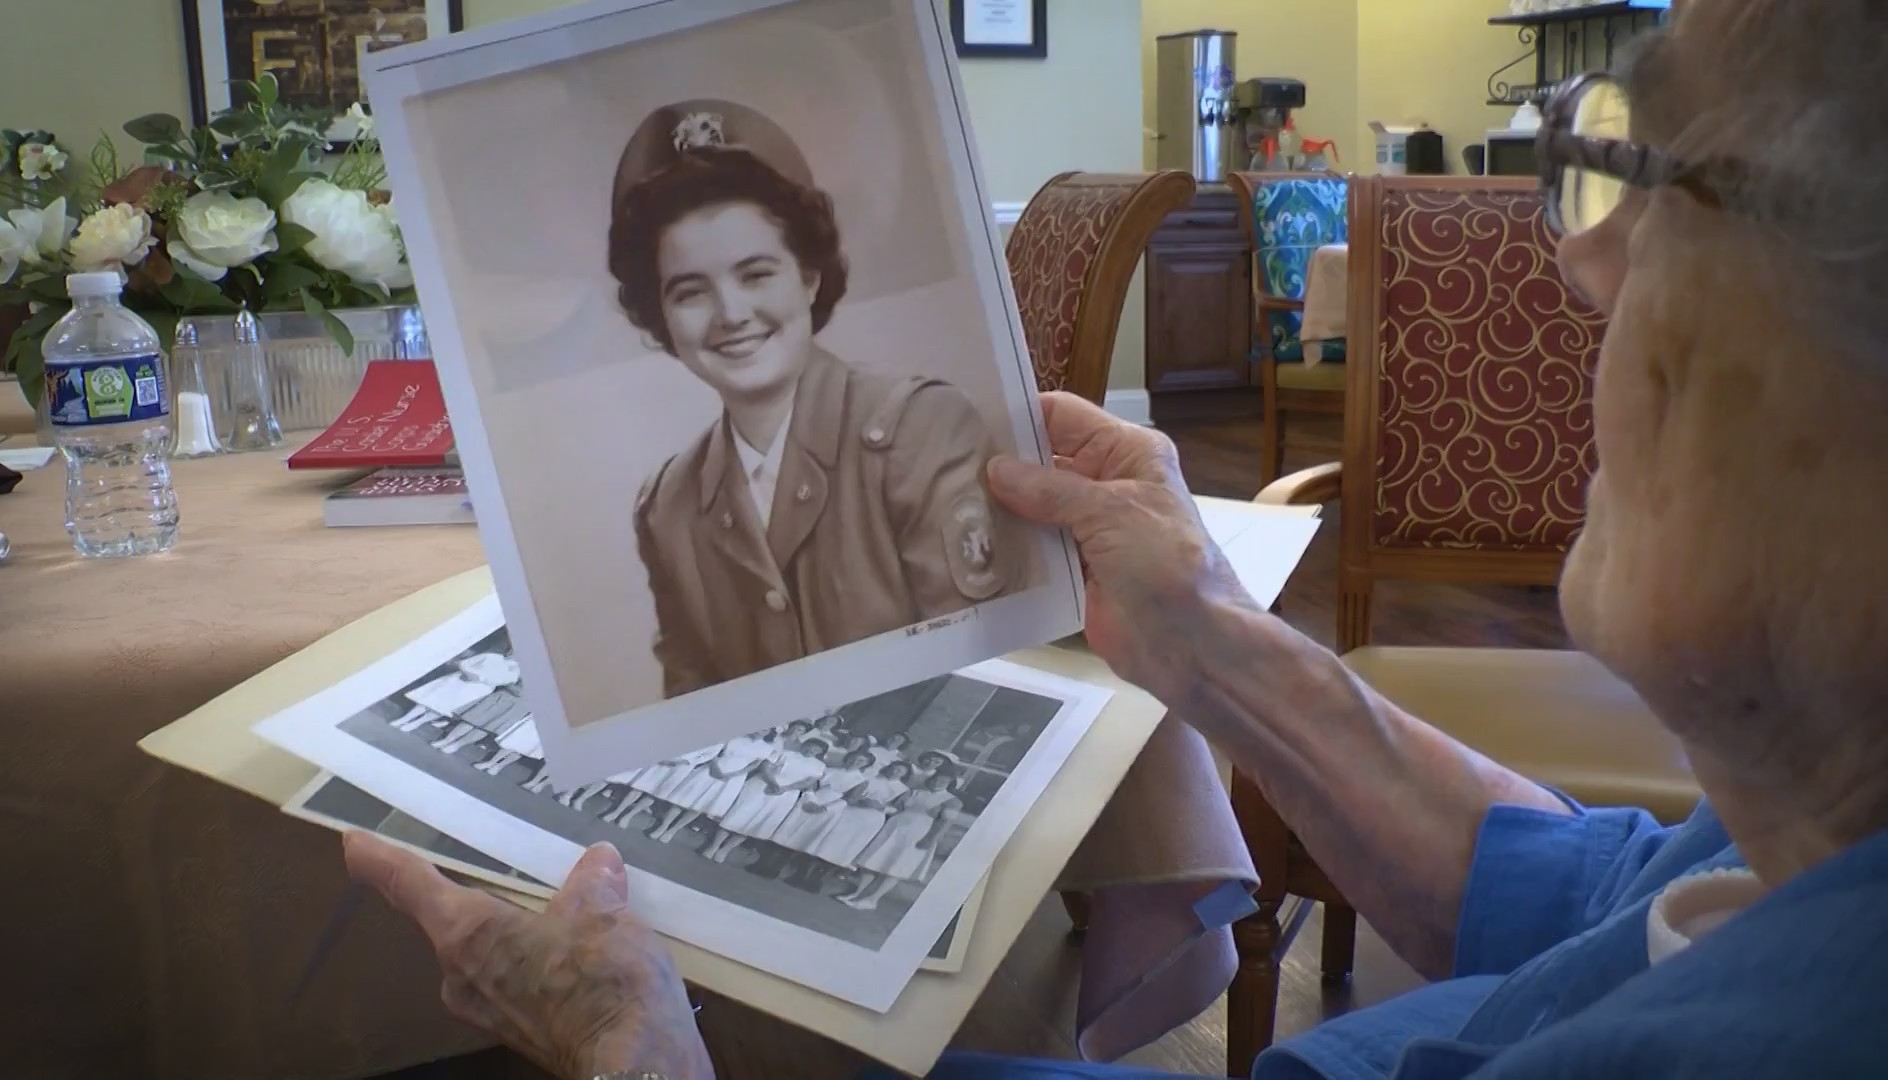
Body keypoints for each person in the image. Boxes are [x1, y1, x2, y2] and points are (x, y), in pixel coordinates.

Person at [341, 7, 1888, 1078]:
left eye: (1654, 175)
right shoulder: (1810, 852)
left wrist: (631, 1055)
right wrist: (1214, 637)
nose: (1588, 264)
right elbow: (1584, 898)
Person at [612, 99, 1027, 701]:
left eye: (756, 274)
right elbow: (692, 708)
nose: (731, 315)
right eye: (689, 291)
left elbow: (980, 683)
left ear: (809, 277)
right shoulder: (667, 507)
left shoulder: (923, 431)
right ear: (661, 316)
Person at [840, 771, 964, 912]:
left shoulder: (952, 801)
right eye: (935, 779)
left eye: (942, 781)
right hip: (895, 828)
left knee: (897, 867)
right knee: (873, 861)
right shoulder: (914, 792)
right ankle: (856, 893)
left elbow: (943, 824)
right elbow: (896, 807)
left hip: (919, 834)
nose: (937, 783)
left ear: (950, 785)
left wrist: (929, 839)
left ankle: (872, 900)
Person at [704, 737, 830, 867]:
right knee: (738, 816)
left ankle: (725, 850)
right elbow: (765, 767)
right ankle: (713, 846)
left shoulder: (819, 766)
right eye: (809, 746)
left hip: (785, 795)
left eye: (815, 750)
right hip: (761, 787)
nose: (810, 751)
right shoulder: (785, 753)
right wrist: (773, 783)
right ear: (804, 744)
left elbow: (808, 782)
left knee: (755, 823)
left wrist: (785, 788)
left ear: (819, 753)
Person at [772, 748, 880, 893]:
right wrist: (810, 799)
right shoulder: (829, 770)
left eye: (861, 761)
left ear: (865, 765)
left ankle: (799, 875)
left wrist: (826, 809)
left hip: (831, 808)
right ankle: (773, 868)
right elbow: (811, 784)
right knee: (792, 832)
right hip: (812, 800)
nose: (855, 762)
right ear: (848, 757)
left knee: (811, 840)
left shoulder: (860, 780)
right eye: (854, 758)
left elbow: (850, 798)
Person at [649, 729, 779, 845]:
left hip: (732, 777)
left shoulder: (766, 748)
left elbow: (754, 766)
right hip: (712, 770)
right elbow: (715, 753)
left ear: (770, 732)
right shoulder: (735, 737)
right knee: (685, 800)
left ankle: (673, 830)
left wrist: (734, 774)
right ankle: (663, 826)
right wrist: (716, 768)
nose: (761, 730)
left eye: (766, 729)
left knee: (700, 807)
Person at [387, 651, 519, 734]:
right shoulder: (491, 656)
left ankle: (416, 723)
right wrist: (468, 672)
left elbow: (502, 681)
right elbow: (464, 663)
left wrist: (481, 678)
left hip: (477, 690)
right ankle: (405, 719)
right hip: (459, 680)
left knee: (444, 708)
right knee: (430, 699)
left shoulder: (515, 673)